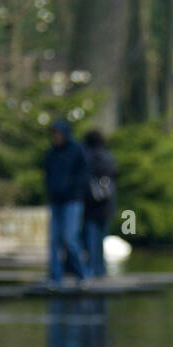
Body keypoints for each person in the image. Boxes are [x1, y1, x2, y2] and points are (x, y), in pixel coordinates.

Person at [43, 119, 89, 284]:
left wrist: (73, 189)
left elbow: (83, 176)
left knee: (70, 238)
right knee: (54, 240)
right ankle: (55, 277)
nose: (56, 137)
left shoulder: (76, 151)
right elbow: (48, 175)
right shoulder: (52, 153)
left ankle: (82, 274)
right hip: (56, 201)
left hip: (72, 201)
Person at [81, 129, 118, 278]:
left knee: (91, 239)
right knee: (100, 239)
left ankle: (91, 270)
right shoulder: (109, 157)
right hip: (107, 204)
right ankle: (101, 270)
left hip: (91, 205)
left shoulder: (87, 157)